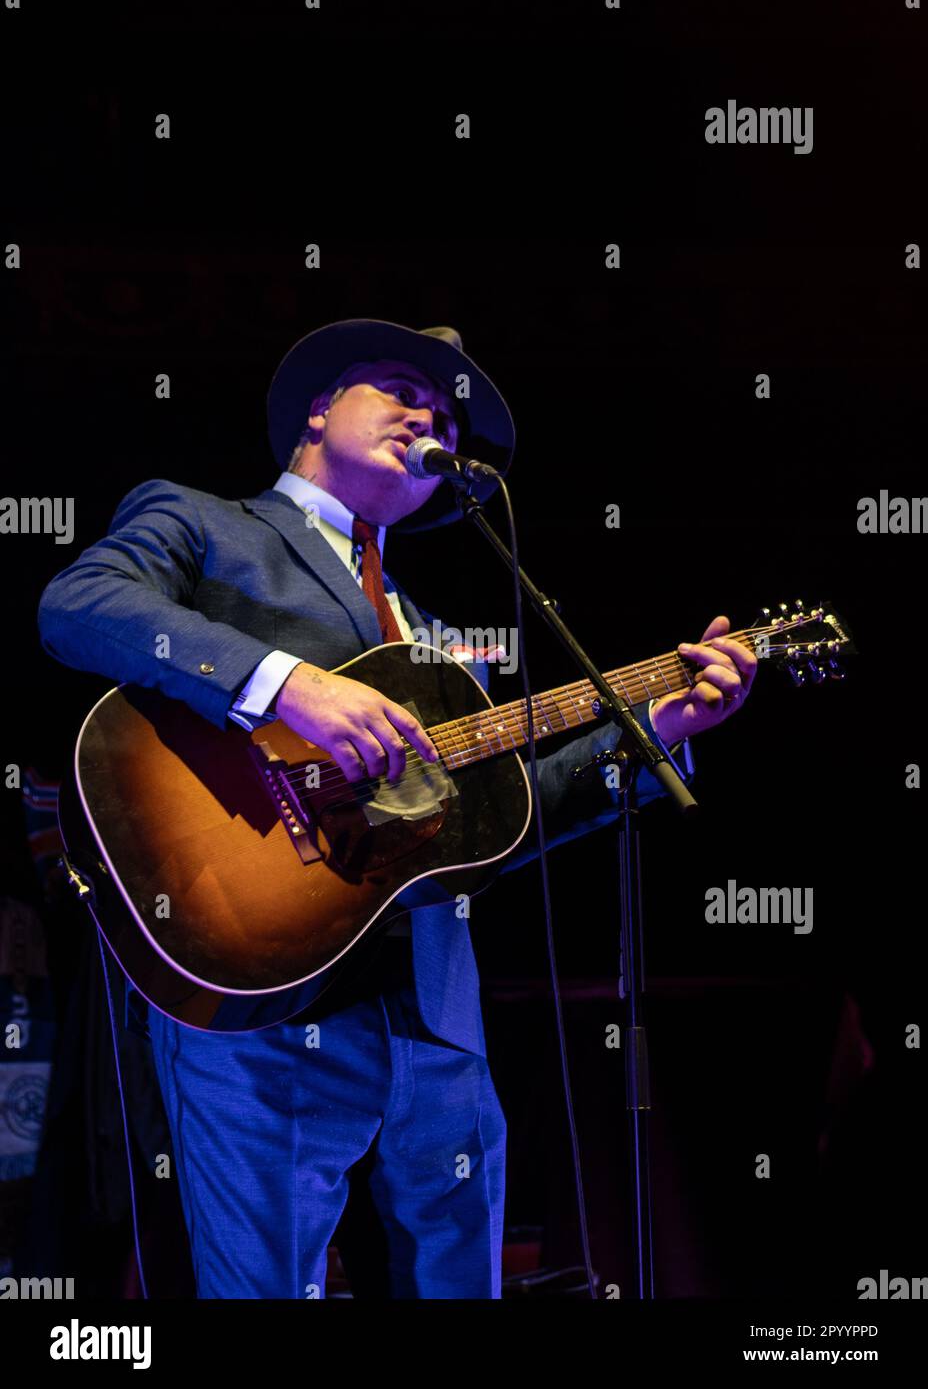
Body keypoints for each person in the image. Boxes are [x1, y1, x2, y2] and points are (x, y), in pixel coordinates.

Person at [36, 318, 756, 1298]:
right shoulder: (205, 521)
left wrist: (659, 727)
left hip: (435, 1006)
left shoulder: (424, 632)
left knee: (462, 1280)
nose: (431, 417)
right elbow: (79, 603)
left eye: (444, 417)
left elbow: (499, 821)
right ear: (318, 410)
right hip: (261, 982)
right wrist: (287, 684)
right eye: (400, 389)